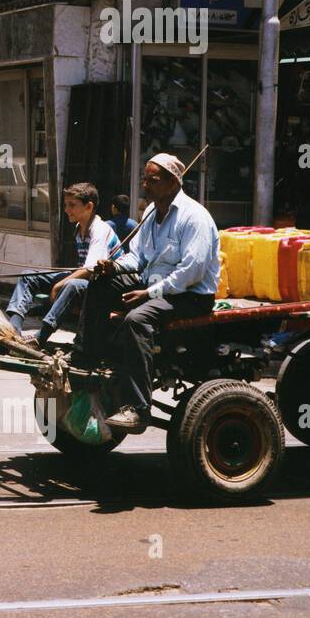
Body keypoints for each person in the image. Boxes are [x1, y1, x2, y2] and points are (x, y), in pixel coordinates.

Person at [73, 153, 220, 435]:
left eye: (152, 180)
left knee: (136, 320)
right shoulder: (152, 212)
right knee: (99, 284)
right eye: (145, 179)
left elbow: (192, 272)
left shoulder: (195, 217)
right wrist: (113, 266)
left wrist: (148, 294)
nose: (145, 185)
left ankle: (138, 408)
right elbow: (137, 258)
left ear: (173, 182)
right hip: (153, 284)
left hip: (189, 296)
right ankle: (87, 357)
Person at [6, 182, 120, 348]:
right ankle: (13, 328)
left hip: (104, 285)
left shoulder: (100, 229)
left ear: (89, 207)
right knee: (28, 276)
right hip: (89, 280)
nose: (67, 210)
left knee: (71, 284)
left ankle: (41, 336)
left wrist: (58, 285)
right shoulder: (78, 228)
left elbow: (90, 269)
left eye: (72, 205)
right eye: (66, 205)